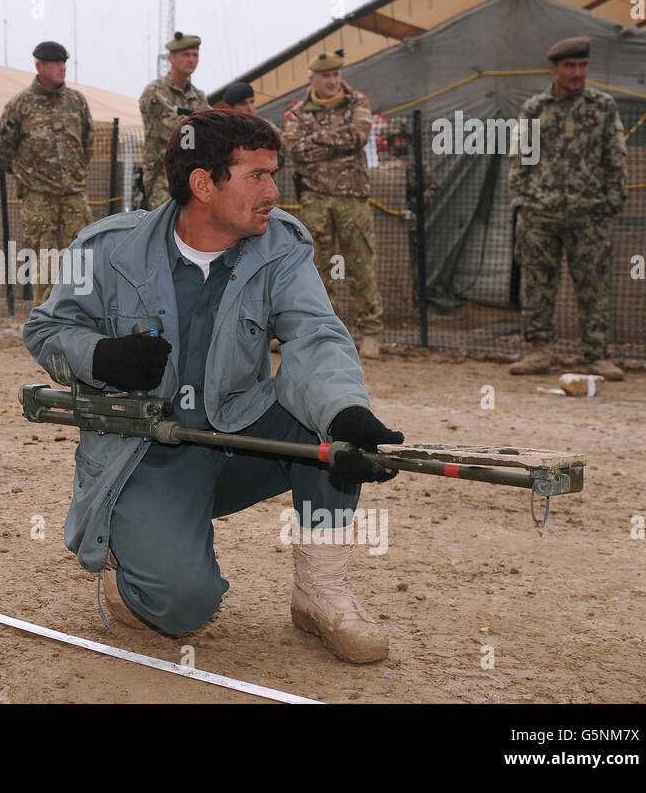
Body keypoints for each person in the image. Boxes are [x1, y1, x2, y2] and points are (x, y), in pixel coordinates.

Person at [23, 109, 404, 664]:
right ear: (204, 183)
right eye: (257, 176)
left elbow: (315, 335)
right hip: (148, 451)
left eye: (274, 174)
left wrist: (346, 411)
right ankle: (133, 562)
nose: (274, 191)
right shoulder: (104, 250)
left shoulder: (281, 245)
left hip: (240, 431)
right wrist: (103, 355)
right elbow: (46, 330)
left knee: (329, 427)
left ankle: (319, 592)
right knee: (181, 609)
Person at [509, 36, 627, 380]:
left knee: (593, 285)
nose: (578, 73)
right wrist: (522, 201)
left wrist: (613, 200)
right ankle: (537, 351)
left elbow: (615, 155)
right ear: (554, 69)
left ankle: (598, 355)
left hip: (589, 213)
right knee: (537, 284)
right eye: (570, 66)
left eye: (583, 66)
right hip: (539, 214)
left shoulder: (602, 106)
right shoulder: (534, 108)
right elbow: (519, 157)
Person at [282, 50, 384, 358]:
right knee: (317, 267)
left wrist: (315, 141)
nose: (333, 80)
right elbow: (294, 149)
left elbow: (357, 135)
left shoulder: (358, 102)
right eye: (326, 76)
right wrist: (332, 142)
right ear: (312, 78)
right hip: (313, 197)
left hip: (350, 196)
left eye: (336, 74)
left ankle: (371, 331)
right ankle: (325, 330)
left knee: (361, 263)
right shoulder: (298, 112)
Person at [0, 41, 95, 305]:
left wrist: (75, 177)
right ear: (39, 66)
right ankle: (46, 329)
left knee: (78, 260)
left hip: (74, 197)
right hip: (39, 199)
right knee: (47, 263)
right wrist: (30, 181)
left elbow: (87, 143)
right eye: (55, 63)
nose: (62, 68)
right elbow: (4, 151)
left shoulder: (76, 102)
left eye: (64, 63)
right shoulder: (20, 105)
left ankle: (75, 324)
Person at [138, 32, 208, 209]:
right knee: (163, 231)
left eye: (195, 55)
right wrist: (199, 129)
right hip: (162, 178)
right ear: (171, 58)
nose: (192, 60)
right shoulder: (155, 92)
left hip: (192, 176)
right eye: (186, 55)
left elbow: (211, 128)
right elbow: (175, 132)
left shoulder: (198, 96)